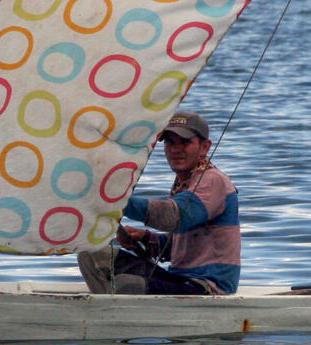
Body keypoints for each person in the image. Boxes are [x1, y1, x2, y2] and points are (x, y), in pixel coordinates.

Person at [77, 109, 240, 295]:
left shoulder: (212, 181)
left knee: (125, 285)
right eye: (170, 142)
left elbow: (174, 216)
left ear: (205, 147)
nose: (176, 149)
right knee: (92, 256)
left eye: (185, 142)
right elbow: (181, 247)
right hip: (178, 279)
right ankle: (109, 314)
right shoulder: (185, 182)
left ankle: (110, 316)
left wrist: (116, 201)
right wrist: (149, 239)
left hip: (206, 287)